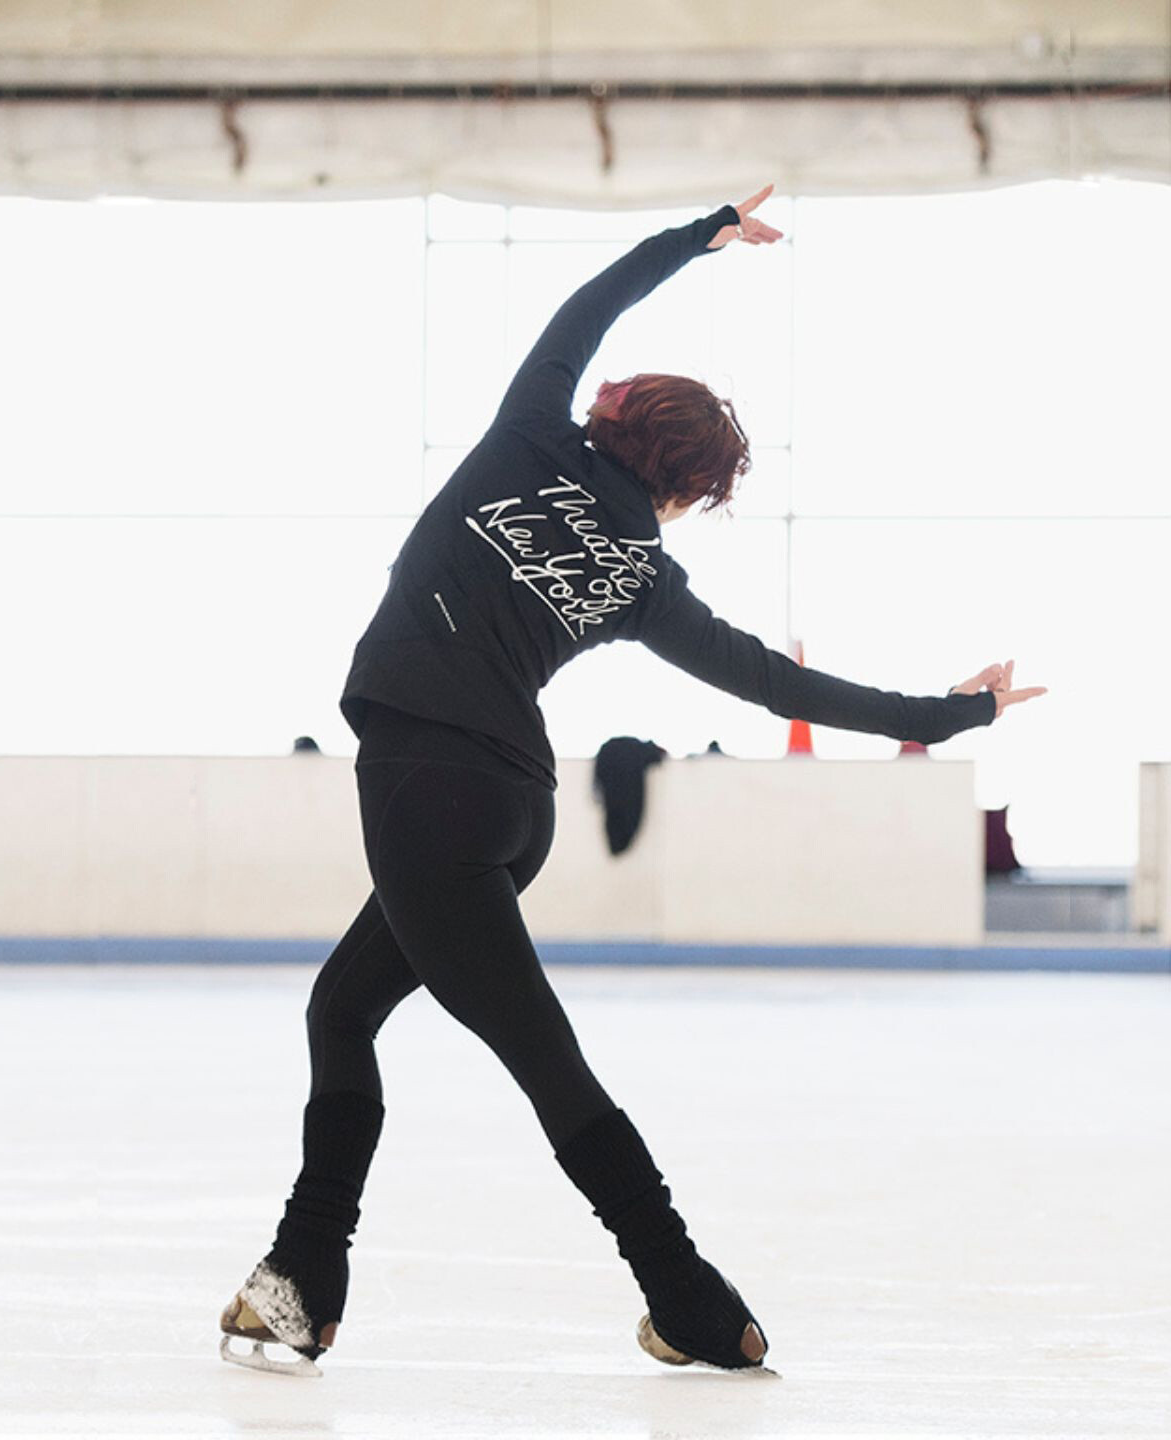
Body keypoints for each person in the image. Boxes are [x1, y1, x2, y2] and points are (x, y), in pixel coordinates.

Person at [217, 184, 1046, 1378]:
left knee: (548, 1070)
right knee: (341, 1009)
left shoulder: (523, 436)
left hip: (426, 796)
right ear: (684, 489)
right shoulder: (645, 579)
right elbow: (781, 687)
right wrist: (954, 713)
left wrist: (694, 238)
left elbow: (584, 310)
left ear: (612, 415)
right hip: (508, 809)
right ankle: (301, 1276)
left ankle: (692, 1298)